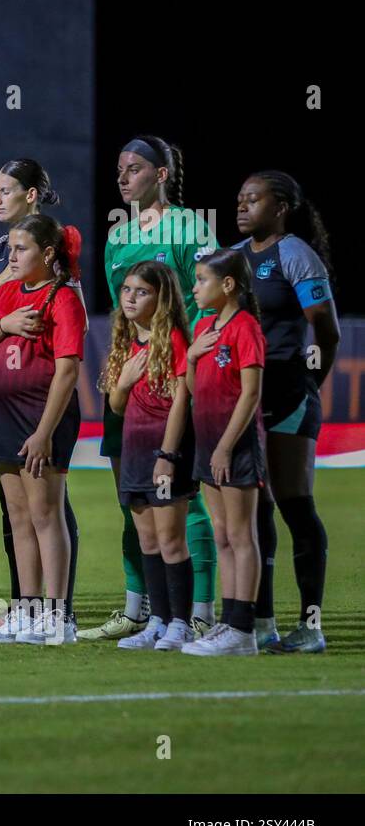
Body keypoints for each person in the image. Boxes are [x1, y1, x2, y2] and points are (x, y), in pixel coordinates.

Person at [82, 137, 218, 641]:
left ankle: (198, 609)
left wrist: (194, 363)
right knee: (131, 497)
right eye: (119, 168)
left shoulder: (189, 226)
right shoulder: (117, 237)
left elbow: (209, 298)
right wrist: (119, 368)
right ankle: (140, 608)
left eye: (134, 168)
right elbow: (123, 314)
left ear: (160, 175)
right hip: (130, 380)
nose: (122, 177)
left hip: (175, 380)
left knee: (184, 500)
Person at [0, 159, 81, 633]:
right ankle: (30, 608)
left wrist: (43, 432)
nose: (11, 256)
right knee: (18, 514)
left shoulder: (63, 298)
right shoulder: (6, 293)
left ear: (49, 252)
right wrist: (4, 323)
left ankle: (58, 614)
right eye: (11, 248)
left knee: (45, 513)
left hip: (39, 415)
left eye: (21, 248)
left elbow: (68, 369)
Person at [232, 171, 337, 653]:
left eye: (254, 199)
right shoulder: (233, 257)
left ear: (281, 207)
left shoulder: (294, 255)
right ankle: (261, 624)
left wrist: (308, 381)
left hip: (289, 393)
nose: (243, 205)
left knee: (295, 504)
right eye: (240, 199)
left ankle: (311, 627)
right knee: (256, 509)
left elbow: (327, 330)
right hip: (247, 394)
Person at [102, 262, 198, 650]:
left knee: (171, 539)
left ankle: (181, 623)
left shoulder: (173, 339)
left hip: (164, 451)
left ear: (161, 298)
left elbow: (181, 402)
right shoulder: (125, 342)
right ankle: (157, 620)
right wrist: (122, 383)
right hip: (134, 449)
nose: (130, 297)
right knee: (148, 541)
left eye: (141, 291)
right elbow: (118, 406)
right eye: (127, 290)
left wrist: (168, 455)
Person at [182, 249, 266, 657]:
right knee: (221, 535)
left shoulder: (245, 327)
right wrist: (193, 358)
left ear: (227, 285)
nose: (195, 288)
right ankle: (227, 623)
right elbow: (197, 393)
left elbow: (250, 394)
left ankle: (243, 629)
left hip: (233, 445)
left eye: (201, 280)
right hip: (209, 442)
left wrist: (226, 446)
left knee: (240, 533)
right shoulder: (204, 326)